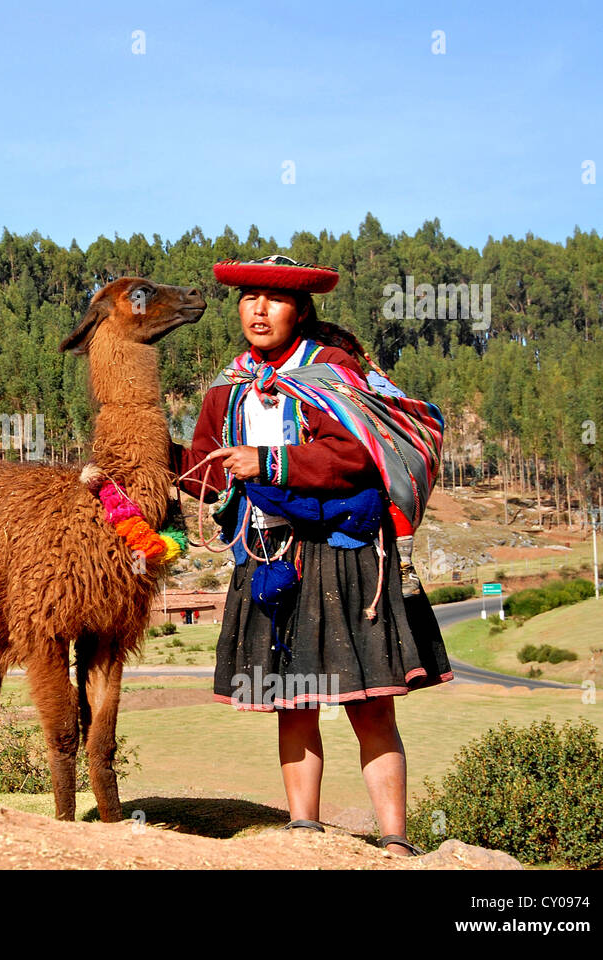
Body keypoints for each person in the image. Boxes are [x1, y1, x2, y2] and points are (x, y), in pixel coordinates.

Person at [169, 255, 453, 856]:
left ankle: (395, 841)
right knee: (292, 697)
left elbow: (353, 453)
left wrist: (269, 462)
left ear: (300, 309)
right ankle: (305, 835)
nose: (258, 310)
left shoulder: (331, 371)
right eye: (249, 298)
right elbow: (205, 472)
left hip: (343, 553)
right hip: (268, 552)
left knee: (370, 702)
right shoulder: (227, 387)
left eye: (273, 299)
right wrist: (144, 466)